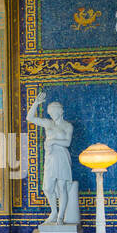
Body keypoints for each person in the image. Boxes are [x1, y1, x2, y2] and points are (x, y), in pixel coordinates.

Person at [26, 91, 73, 225]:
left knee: (62, 185)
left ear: (60, 111)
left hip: (62, 156)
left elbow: (67, 143)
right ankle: (54, 211)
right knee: (47, 187)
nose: (51, 113)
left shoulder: (68, 126)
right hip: (51, 158)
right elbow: (29, 118)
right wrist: (36, 103)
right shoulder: (48, 123)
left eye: (53, 111)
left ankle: (60, 216)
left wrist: (53, 141)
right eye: (49, 111)